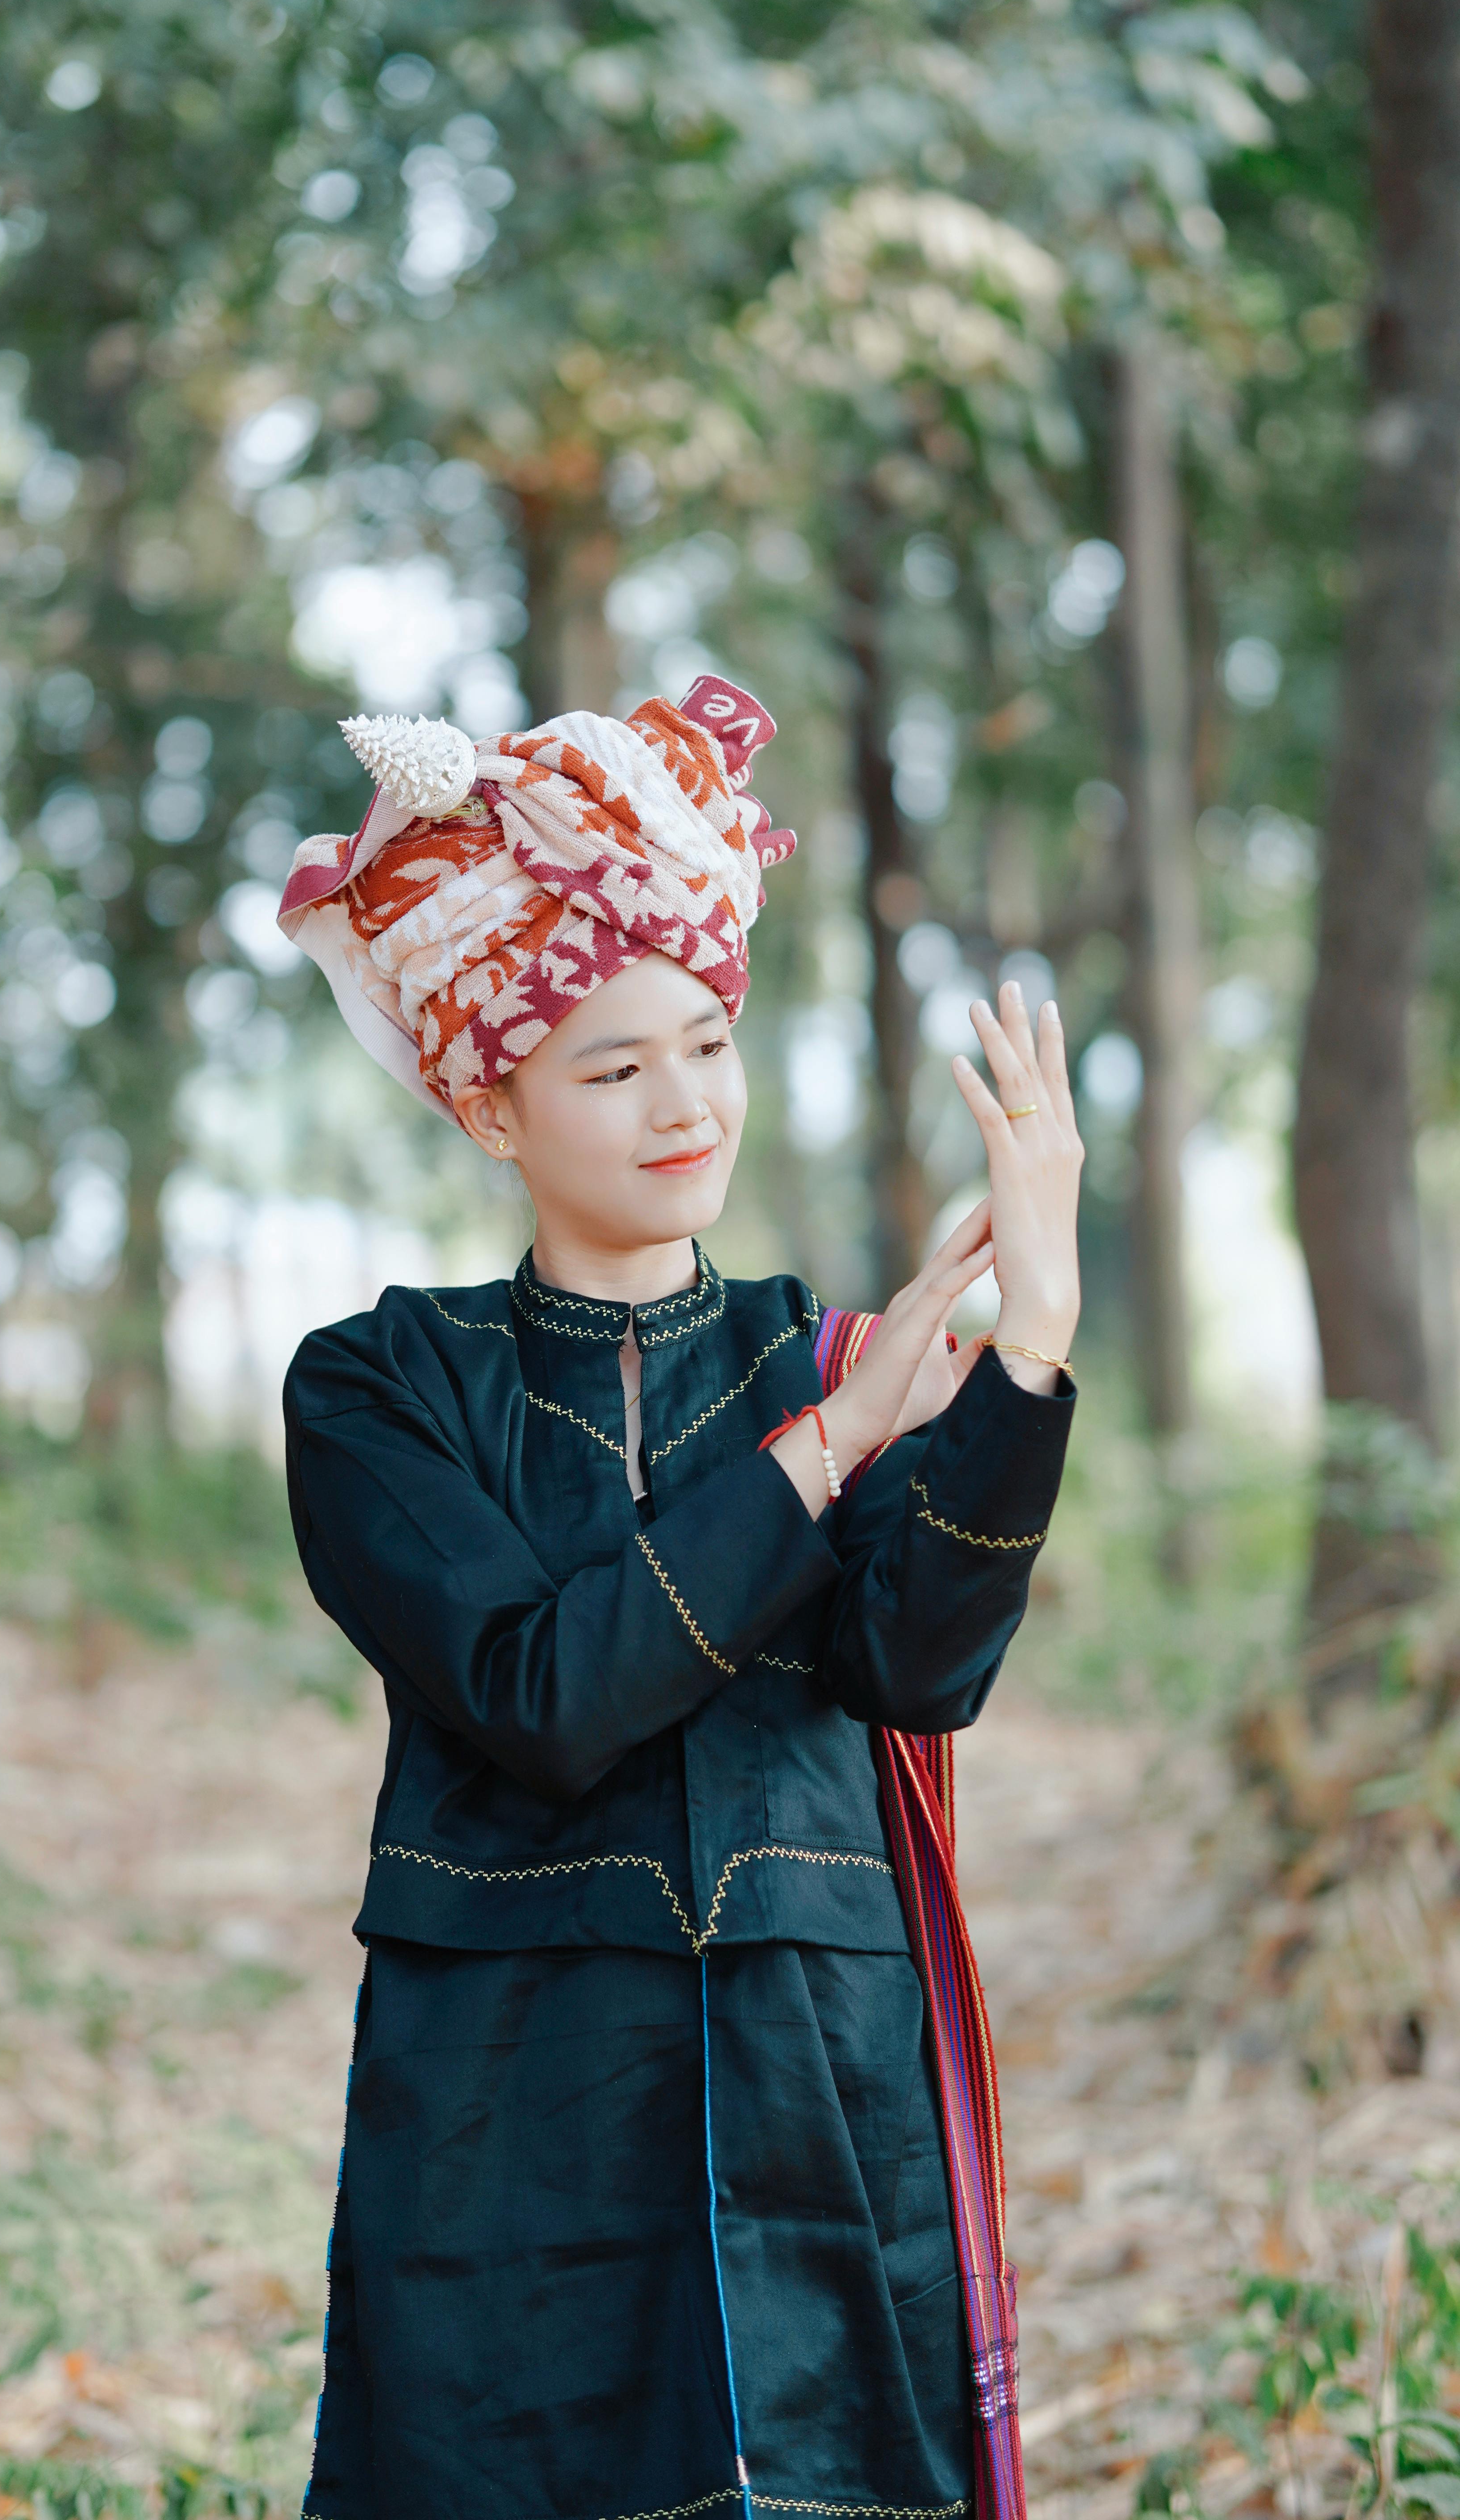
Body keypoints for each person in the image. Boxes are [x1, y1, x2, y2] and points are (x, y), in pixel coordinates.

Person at [278, 675, 1081, 2520]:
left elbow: (918, 1671)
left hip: (821, 2059)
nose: (681, 1103)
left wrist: (1023, 1348)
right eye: (613, 1064)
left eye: (707, 1044)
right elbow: (540, 1692)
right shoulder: (382, 1385)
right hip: (509, 2075)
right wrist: (836, 1440)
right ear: (490, 1106)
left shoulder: (825, 1349)